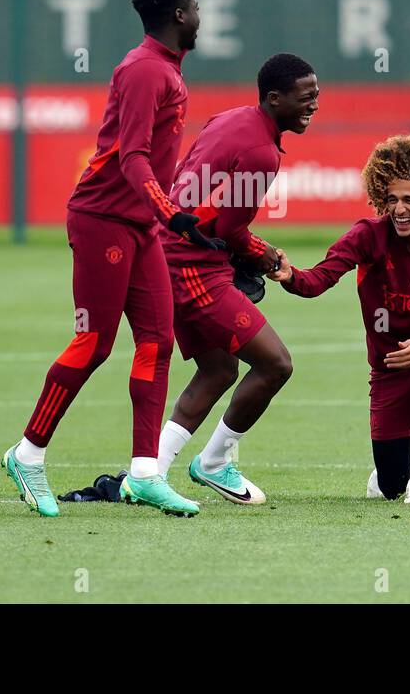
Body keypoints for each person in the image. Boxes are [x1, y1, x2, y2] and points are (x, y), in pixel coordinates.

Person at [2, 0, 218, 518]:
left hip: (138, 225)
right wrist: (172, 214)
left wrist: (163, 217)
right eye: (195, 5)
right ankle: (27, 454)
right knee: (93, 343)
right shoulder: (147, 69)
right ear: (178, 15)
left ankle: (145, 472)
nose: (200, 14)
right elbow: (132, 157)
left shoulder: (162, 67)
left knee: (157, 340)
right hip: (103, 219)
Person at [269, 130, 410, 503]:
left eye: (409, 200)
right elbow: (320, 279)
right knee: (389, 487)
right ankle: (398, 475)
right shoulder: (367, 235)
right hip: (391, 367)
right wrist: (290, 277)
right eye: (391, 200)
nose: (398, 209)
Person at [156, 53, 320, 504]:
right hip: (192, 261)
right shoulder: (262, 153)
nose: (314, 106)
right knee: (275, 364)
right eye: (306, 98)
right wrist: (264, 255)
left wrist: (250, 250)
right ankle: (213, 463)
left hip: (172, 249)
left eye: (317, 96)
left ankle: (150, 473)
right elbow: (229, 229)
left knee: (218, 369)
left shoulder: (229, 119)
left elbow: (194, 194)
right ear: (274, 98)